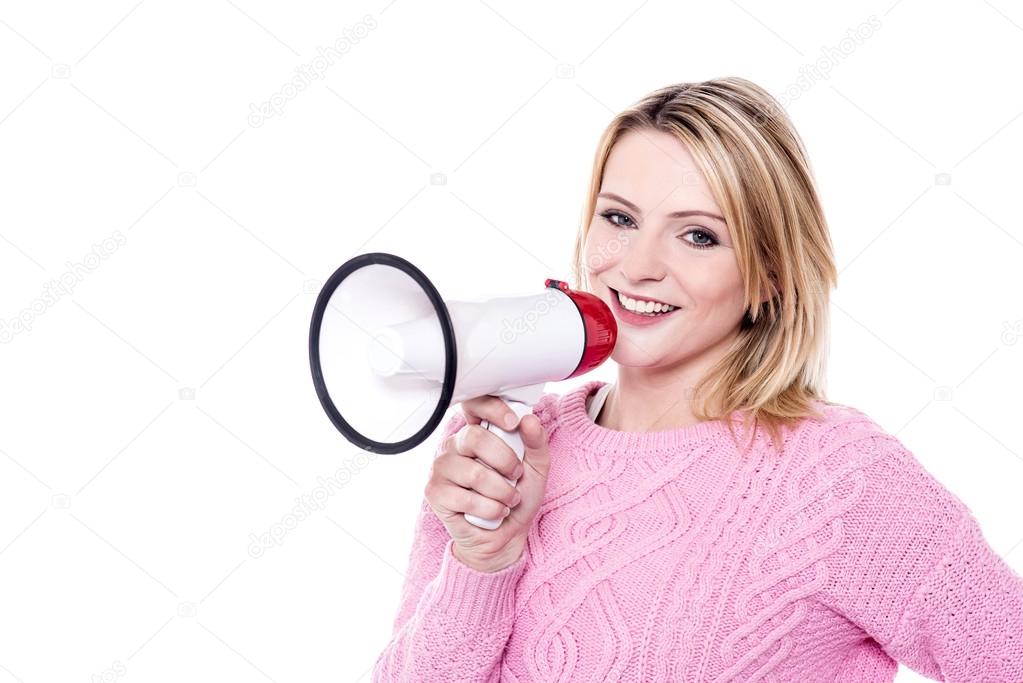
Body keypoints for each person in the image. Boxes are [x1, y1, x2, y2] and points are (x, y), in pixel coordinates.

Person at [371, 77, 1023, 682]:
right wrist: (484, 559)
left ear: (770, 276)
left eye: (698, 236)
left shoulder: (838, 477)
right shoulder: (492, 448)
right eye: (619, 218)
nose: (638, 265)